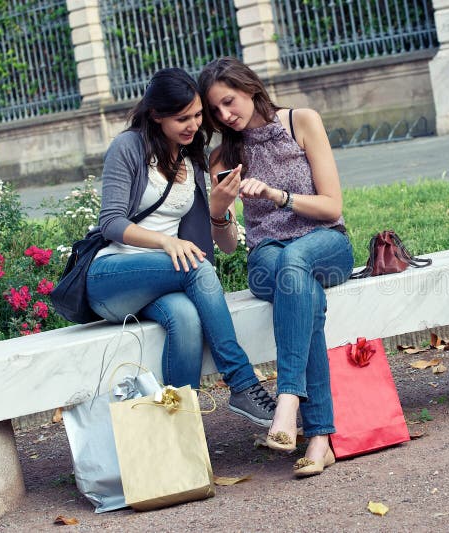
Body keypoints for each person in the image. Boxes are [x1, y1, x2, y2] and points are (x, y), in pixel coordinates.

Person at [86, 68, 276, 427]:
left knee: (186, 319)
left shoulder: (193, 156)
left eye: (198, 115)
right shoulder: (129, 147)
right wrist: (166, 242)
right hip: (112, 277)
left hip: (164, 282)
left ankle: (179, 429)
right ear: (156, 115)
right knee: (195, 265)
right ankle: (242, 382)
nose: (193, 125)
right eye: (182, 118)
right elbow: (110, 222)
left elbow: (227, 247)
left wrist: (220, 209)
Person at [198, 57, 355, 477]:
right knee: (299, 286)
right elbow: (228, 246)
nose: (224, 115)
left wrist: (276, 195)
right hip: (267, 256)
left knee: (295, 261)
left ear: (249, 87)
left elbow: (332, 207)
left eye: (229, 101)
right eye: (215, 110)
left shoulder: (302, 121)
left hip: (325, 243)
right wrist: (218, 211)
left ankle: (287, 402)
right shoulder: (222, 157)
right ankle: (319, 439)